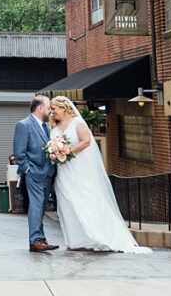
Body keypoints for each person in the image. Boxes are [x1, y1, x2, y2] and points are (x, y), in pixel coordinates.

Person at [47, 95, 149, 253]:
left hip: (79, 169)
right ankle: (76, 241)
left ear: (63, 108)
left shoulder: (77, 123)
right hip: (63, 171)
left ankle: (99, 236)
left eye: (54, 109)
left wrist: (67, 151)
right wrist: (54, 152)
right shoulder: (54, 127)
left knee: (87, 201)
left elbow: (86, 141)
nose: (52, 112)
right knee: (67, 203)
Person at [12, 95, 59, 252]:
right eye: (48, 108)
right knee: (36, 206)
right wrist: (28, 171)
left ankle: (41, 238)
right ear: (40, 108)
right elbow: (19, 153)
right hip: (34, 173)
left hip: (47, 174)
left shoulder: (46, 127)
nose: (50, 111)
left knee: (41, 207)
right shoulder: (23, 125)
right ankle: (35, 240)